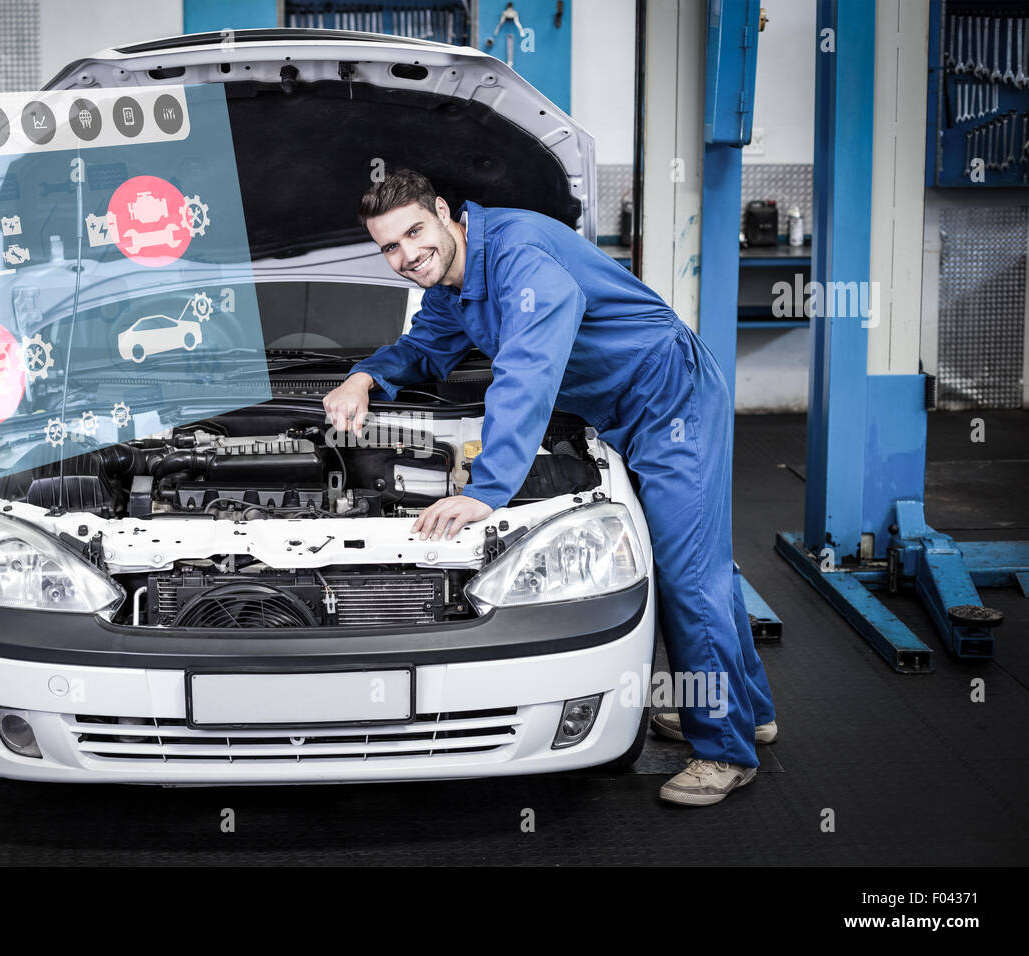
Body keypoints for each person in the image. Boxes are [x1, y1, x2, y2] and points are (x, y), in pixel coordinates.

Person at [323, 169, 777, 807]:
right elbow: (424, 349)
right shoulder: (455, 284)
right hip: (620, 408)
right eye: (389, 248)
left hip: (670, 399)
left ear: (445, 212)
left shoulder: (518, 255)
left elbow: (526, 371)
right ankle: (747, 710)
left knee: (685, 573)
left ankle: (724, 750)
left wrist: (489, 488)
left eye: (414, 233)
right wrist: (365, 379)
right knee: (699, 564)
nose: (406, 256)